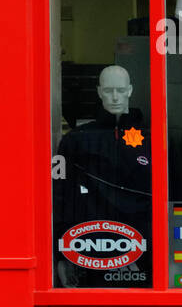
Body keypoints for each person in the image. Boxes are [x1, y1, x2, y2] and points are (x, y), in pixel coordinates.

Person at [53, 65, 152, 286]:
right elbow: (60, 196)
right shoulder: (78, 140)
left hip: (144, 247)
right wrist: (61, 251)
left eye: (120, 89)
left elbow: (170, 193)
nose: (115, 97)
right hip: (89, 245)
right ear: (99, 92)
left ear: (130, 90)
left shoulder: (152, 139)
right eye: (108, 91)